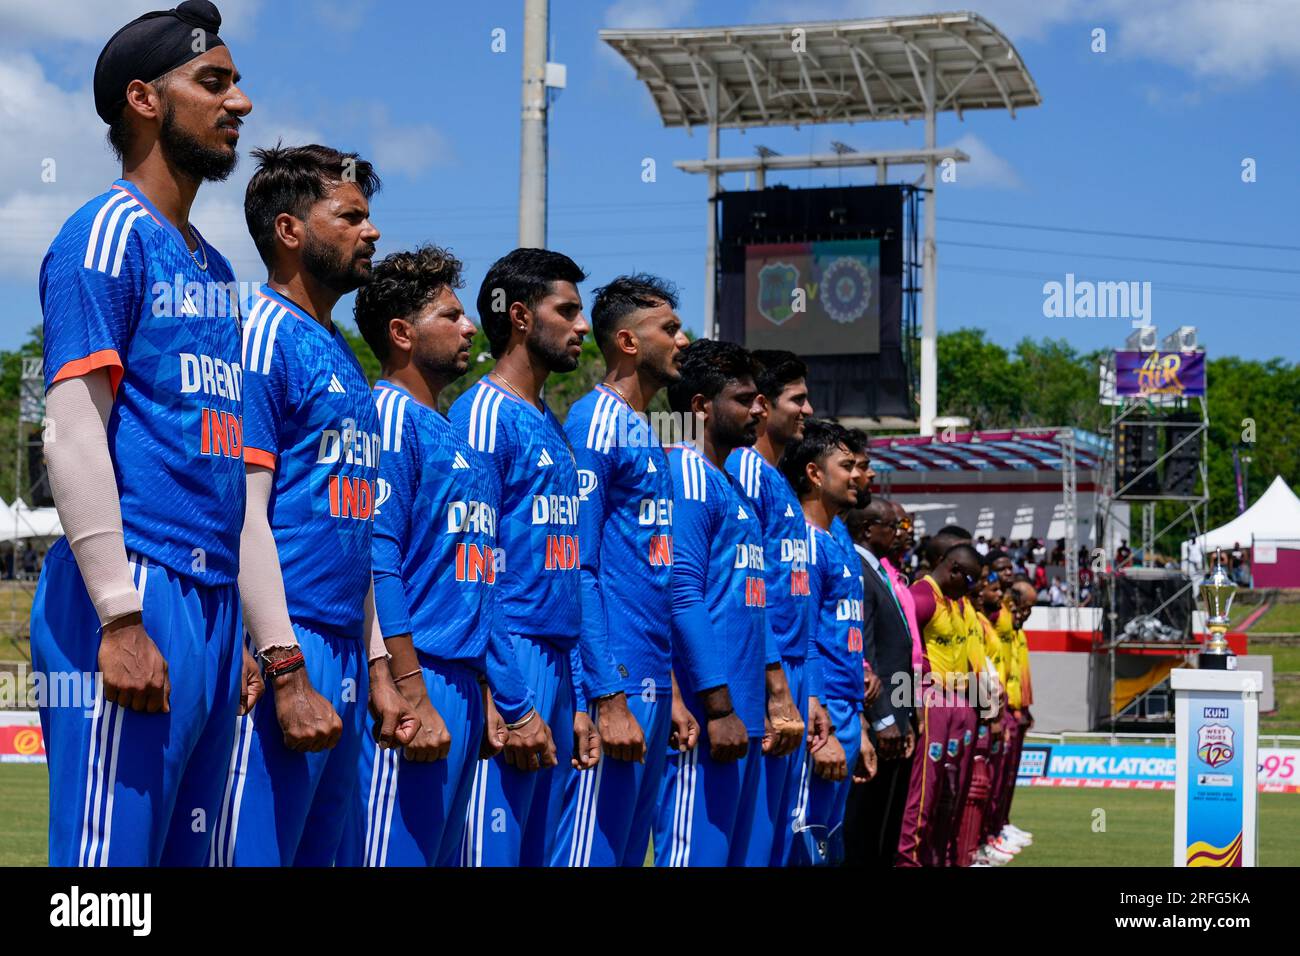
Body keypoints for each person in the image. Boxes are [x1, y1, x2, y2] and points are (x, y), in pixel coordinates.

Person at [31, 0, 256, 867]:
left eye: (235, 82)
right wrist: (120, 615)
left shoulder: (215, 263)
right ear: (145, 100)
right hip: (135, 585)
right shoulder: (104, 233)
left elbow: (225, 464)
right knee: (106, 877)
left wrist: (240, 625)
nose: (238, 102)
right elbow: (72, 432)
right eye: (214, 82)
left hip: (211, 601)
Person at [216, 144, 417, 866]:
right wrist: (277, 657)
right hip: (284, 646)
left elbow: (357, 529)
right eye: (353, 216)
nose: (372, 233)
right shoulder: (260, 333)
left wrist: (378, 666)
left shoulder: (340, 353)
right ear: (290, 230)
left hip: (339, 651)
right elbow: (242, 510)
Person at [337, 245, 545, 866]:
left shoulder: (448, 427)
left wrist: (489, 687)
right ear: (402, 333)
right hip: (415, 674)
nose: (471, 327)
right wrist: (407, 687)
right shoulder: (386, 416)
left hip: (458, 679)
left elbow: (476, 582)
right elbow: (379, 558)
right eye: (451, 316)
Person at [448, 248, 592, 866]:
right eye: (568, 310)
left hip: (558, 665)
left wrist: (580, 698)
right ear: (522, 317)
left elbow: (570, 570)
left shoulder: (550, 423)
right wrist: (505, 693)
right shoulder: (482, 414)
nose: (582, 326)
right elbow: (473, 572)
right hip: (511, 661)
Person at [551, 274, 689, 867]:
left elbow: (653, 579)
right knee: (588, 854)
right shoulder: (594, 423)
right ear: (629, 342)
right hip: (617, 684)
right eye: (671, 329)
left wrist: (675, 690)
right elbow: (576, 569)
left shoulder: (648, 432)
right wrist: (604, 695)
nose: (684, 341)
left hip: (653, 682)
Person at [655, 340, 771, 866]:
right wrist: (716, 705)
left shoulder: (729, 482)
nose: (758, 409)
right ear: (701, 406)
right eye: (744, 399)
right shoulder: (683, 473)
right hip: (707, 719)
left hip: (741, 714)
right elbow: (680, 594)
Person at [724, 349, 811, 866]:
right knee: (750, 836)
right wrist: (775, 680)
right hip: (760, 670)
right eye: (796, 398)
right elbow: (746, 588)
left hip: (791, 669)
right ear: (763, 403)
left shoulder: (775, 479)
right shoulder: (744, 470)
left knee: (779, 836)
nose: (807, 409)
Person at [783, 421, 866, 866]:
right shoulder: (806, 543)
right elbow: (805, 634)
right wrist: (825, 727)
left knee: (830, 844)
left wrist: (861, 727)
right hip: (822, 713)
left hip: (847, 712)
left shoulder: (838, 540)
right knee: (805, 838)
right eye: (846, 466)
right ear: (815, 474)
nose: (857, 475)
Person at [895, 541, 983, 867]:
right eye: (970, 581)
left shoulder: (954, 603)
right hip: (932, 702)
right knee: (923, 798)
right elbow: (905, 649)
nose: (972, 590)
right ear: (954, 569)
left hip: (958, 701)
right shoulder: (922, 596)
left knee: (947, 798)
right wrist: (912, 699)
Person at [843, 499, 916, 867]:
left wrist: (907, 718)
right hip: (877, 719)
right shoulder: (858, 568)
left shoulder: (881, 572)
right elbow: (867, 651)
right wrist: (886, 719)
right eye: (894, 526)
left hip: (896, 717)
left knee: (884, 823)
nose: (901, 534)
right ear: (869, 529)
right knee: (863, 825)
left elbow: (899, 652)